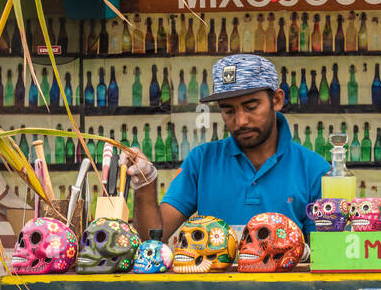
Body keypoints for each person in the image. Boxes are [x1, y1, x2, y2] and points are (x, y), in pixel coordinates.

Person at [126, 54, 330, 241]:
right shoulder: (202, 161)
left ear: (276, 100)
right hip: (212, 283)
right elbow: (150, 241)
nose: (240, 121)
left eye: (251, 107)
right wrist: (145, 183)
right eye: (228, 110)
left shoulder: (314, 169)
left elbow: (323, 256)